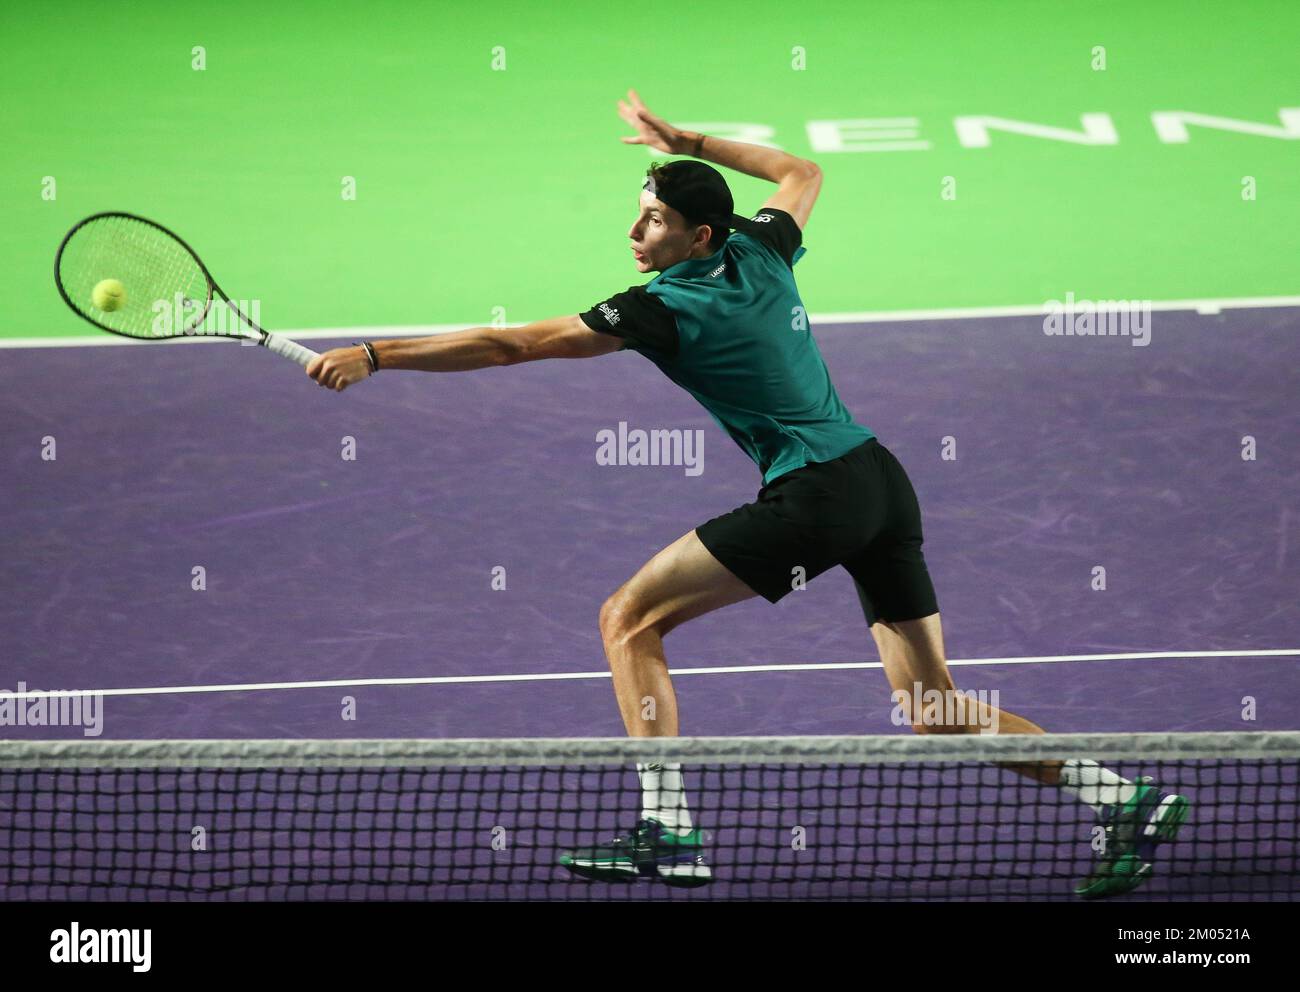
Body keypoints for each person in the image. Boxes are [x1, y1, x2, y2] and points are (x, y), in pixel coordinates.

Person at [307, 89, 1187, 899]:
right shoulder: (763, 245)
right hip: (881, 482)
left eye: (653, 220)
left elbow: (512, 345)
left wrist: (377, 354)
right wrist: (688, 143)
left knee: (629, 620)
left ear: (696, 238)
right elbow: (801, 171)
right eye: (638, 213)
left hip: (815, 496)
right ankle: (1121, 797)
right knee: (931, 707)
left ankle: (670, 831)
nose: (634, 233)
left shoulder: (657, 309)